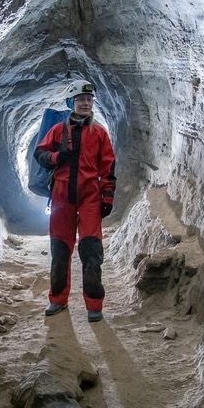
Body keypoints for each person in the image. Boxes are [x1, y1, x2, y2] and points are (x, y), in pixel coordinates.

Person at [34, 80, 117, 321]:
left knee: (91, 249)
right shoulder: (58, 131)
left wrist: (107, 196)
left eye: (89, 100)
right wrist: (55, 157)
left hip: (90, 194)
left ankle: (94, 303)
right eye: (80, 99)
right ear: (71, 103)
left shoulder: (99, 133)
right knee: (60, 249)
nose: (85, 103)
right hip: (61, 195)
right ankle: (58, 299)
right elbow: (39, 153)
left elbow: (108, 167)